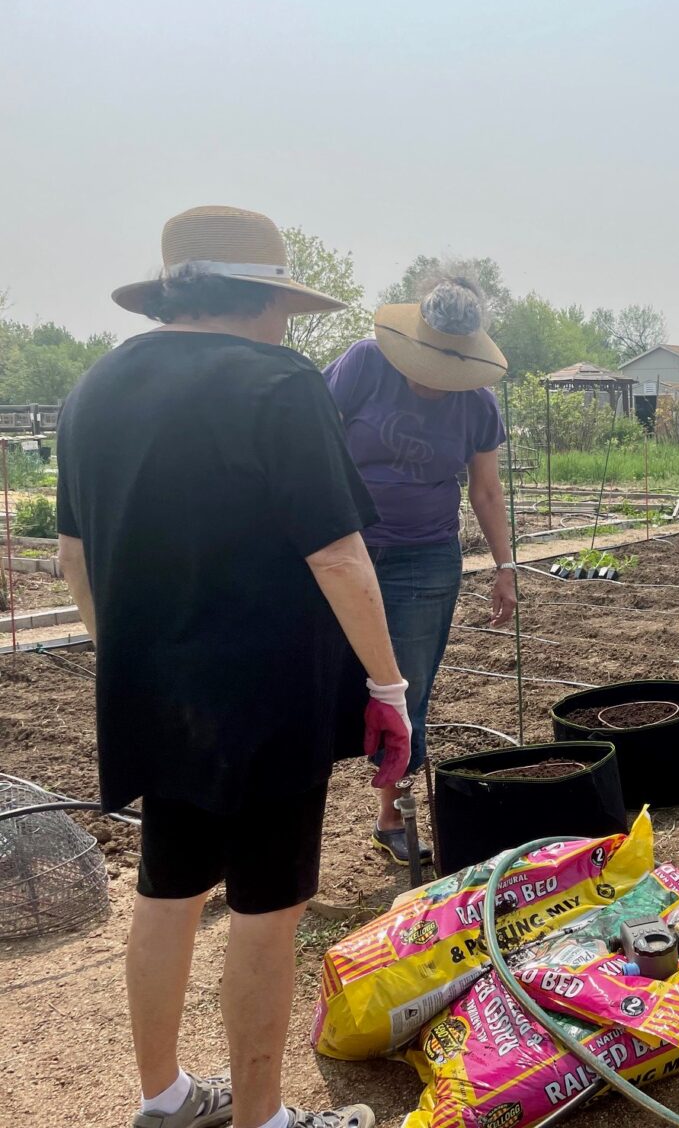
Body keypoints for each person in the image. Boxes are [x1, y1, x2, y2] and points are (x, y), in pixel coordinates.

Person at [56, 206, 411, 1128]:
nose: (289, 324)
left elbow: (73, 559)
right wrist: (387, 685)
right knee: (268, 904)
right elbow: (338, 555)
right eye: (284, 304)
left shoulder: (94, 389)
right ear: (260, 299)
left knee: (167, 888)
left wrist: (128, 660)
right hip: (267, 694)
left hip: (153, 690)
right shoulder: (279, 383)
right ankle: (262, 1117)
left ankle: (166, 1098)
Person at [323, 273, 514, 864]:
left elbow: (485, 490)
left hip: (423, 557)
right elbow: (312, 443)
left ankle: (393, 817)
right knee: (313, 681)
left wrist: (505, 566)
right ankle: (282, 818)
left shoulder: (478, 403)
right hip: (338, 551)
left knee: (406, 688)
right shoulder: (361, 365)